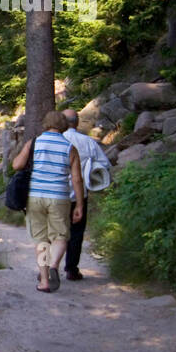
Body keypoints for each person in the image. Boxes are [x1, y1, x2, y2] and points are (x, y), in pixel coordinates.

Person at [11, 110, 85, 293]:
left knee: (41, 240)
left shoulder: (34, 143)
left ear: (45, 123)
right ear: (64, 125)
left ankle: (44, 281)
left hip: (35, 196)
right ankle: (54, 266)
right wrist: (80, 205)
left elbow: (17, 165)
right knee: (60, 237)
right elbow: (77, 179)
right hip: (60, 197)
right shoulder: (70, 147)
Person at [61, 108, 111, 281]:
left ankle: (47, 269)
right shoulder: (87, 142)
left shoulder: (54, 141)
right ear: (76, 122)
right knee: (76, 232)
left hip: (55, 194)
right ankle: (71, 269)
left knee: (53, 232)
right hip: (78, 194)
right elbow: (104, 164)